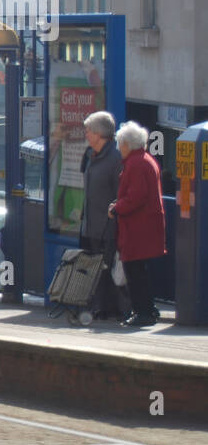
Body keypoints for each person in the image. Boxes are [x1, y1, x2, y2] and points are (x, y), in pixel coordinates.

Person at [108, 122, 166, 328]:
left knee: (134, 271)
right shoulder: (145, 160)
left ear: (127, 144)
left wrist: (116, 208)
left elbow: (136, 197)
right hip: (145, 227)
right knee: (139, 270)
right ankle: (147, 309)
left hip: (137, 229)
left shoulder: (136, 163)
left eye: (120, 143)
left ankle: (143, 312)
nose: (118, 147)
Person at [80, 111, 124, 319]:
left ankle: (111, 309)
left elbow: (120, 194)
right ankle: (100, 307)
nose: (86, 134)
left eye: (88, 130)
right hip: (91, 225)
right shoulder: (91, 156)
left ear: (99, 133)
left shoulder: (115, 159)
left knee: (107, 269)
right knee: (97, 269)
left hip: (108, 226)